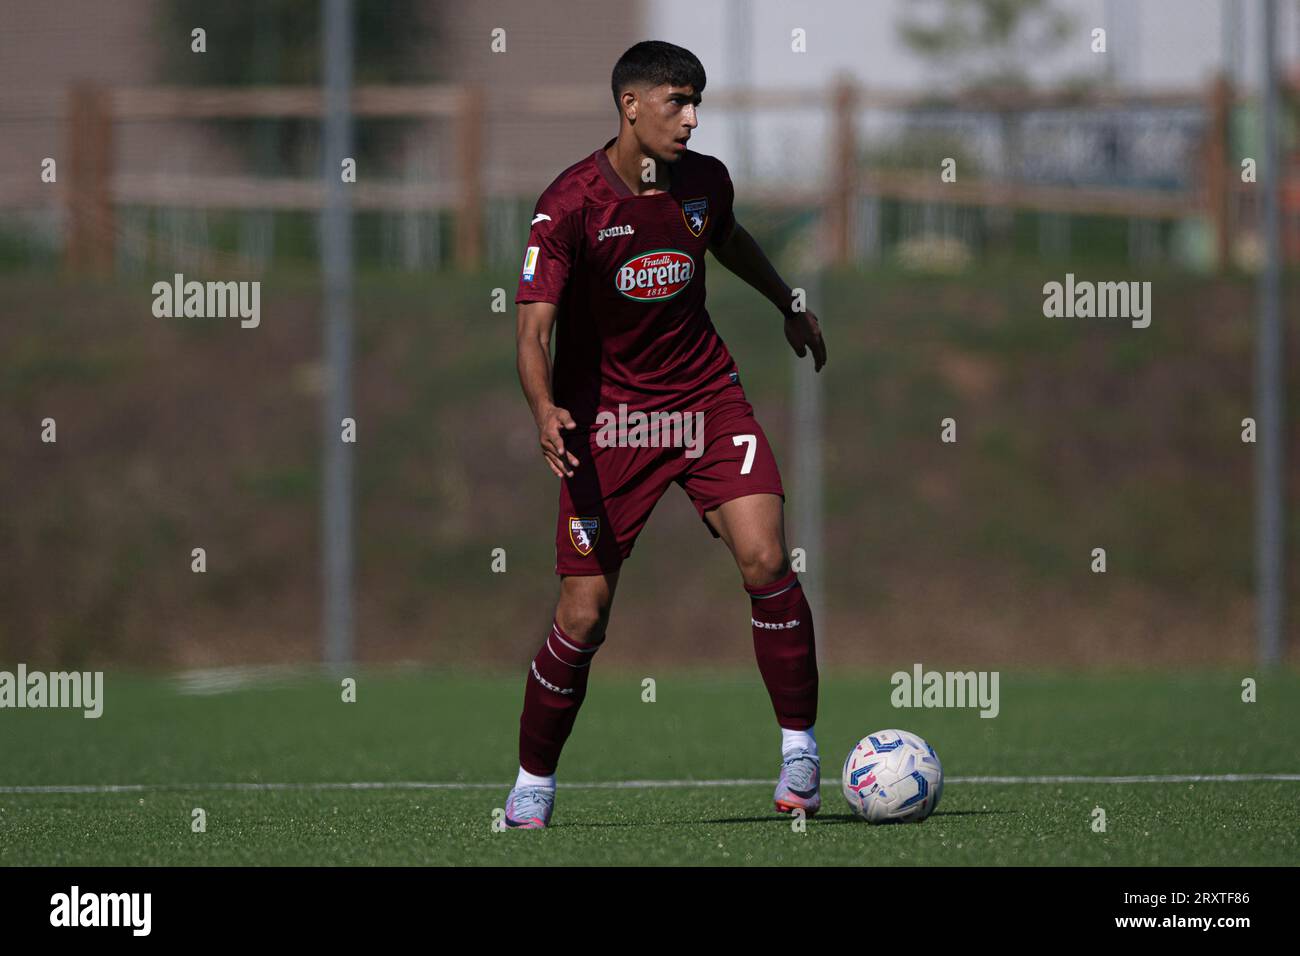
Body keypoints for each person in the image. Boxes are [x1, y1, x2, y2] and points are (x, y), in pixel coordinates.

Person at [506, 40, 827, 828]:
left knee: (767, 557)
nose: (692, 119)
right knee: (584, 616)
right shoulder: (570, 205)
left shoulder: (703, 182)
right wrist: (544, 409)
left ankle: (800, 752)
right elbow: (533, 330)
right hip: (610, 424)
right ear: (631, 105)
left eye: (697, 103)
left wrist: (787, 303)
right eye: (678, 102)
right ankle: (532, 784)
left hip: (706, 401)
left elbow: (730, 238)